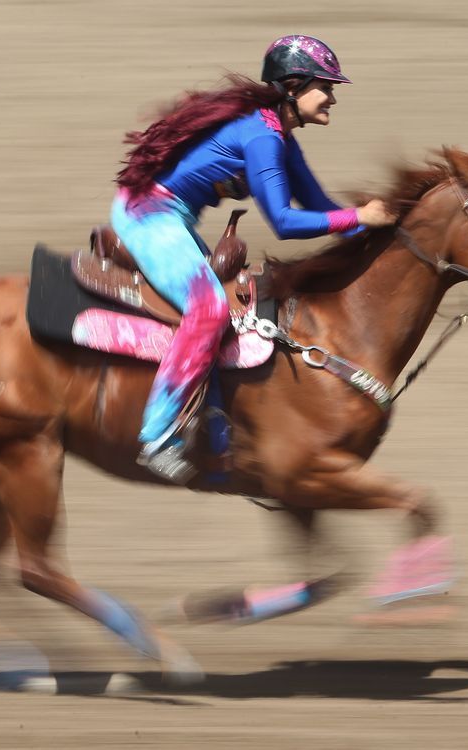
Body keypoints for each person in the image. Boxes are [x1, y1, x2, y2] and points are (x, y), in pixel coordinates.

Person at [113, 34, 397, 483]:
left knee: (235, 312)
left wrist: (385, 229)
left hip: (173, 218)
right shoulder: (263, 137)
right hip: (147, 215)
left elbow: (321, 206)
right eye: (326, 86)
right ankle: (157, 436)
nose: (333, 98)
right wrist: (359, 216)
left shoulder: (279, 136)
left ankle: (215, 424)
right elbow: (285, 222)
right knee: (208, 308)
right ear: (293, 85)